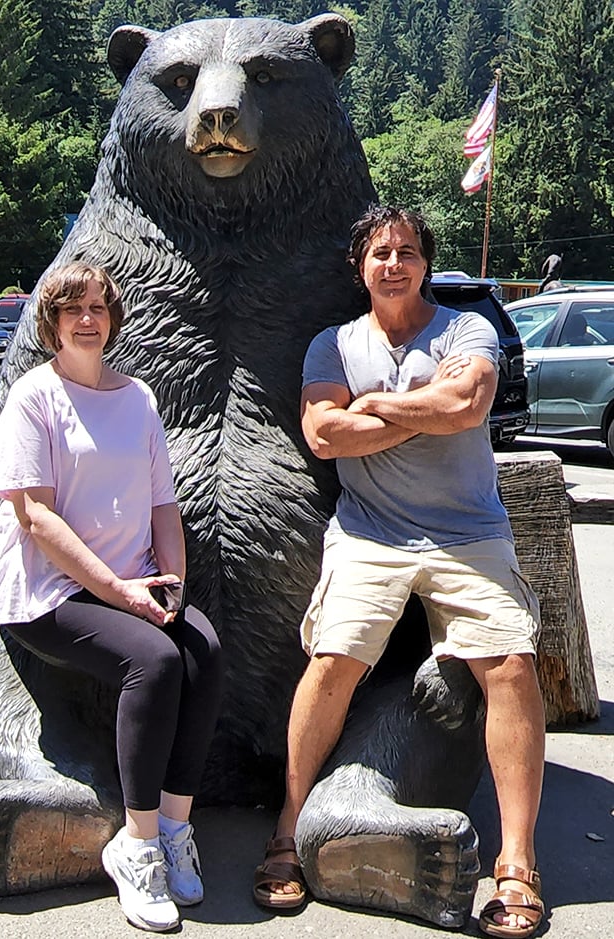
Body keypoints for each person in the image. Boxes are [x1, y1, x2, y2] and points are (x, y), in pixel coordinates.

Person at [253, 206, 545, 939]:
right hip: (369, 532)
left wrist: (376, 405)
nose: (393, 263)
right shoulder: (334, 342)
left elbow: (470, 401)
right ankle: (287, 829)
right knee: (332, 661)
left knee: (509, 663)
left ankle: (517, 860)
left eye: (407, 252)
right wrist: (427, 406)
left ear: (425, 263)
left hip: (467, 531)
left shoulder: (466, 328)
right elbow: (324, 433)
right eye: (380, 252)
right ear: (361, 267)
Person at [0, 262, 223, 932]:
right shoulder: (35, 398)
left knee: (203, 648)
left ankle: (175, 828)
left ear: (113, 318)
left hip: (136, 582)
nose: (86, 318)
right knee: (154, 661)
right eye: (72, 309)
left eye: (97, 306)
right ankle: (138, 844)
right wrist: (121, 592)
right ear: (52, 322)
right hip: (49, 593)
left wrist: (171, 583)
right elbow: (38, 518)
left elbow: (163, 507)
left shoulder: (136, 398)